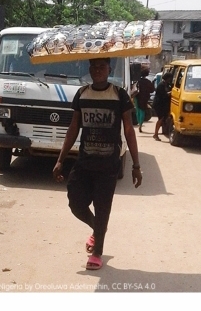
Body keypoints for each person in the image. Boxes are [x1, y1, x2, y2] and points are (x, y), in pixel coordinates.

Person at [52, 57, 142, 271]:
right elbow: (73, 128)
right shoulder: (82, 94)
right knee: (75, 203)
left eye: (102, 66)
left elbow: (129, 129)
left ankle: (97, 252)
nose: (97, 70)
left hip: (109, 165)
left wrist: (136, 165)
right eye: (93, 66)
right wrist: (60, 159)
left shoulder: (119, 95)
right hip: (84, 162)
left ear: (109, 69)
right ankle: (97, 229)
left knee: (103, 209)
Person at [133, 66, 155, 133]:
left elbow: (134, 89)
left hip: (137, 97)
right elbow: (152, 90)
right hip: (145, 98)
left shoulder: (138, 81)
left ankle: (139, 122)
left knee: (138, 110)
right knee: (142, 110)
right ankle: (140, 124)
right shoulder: (148, 82)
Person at [153, 70, 173, 141]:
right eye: (170, 78)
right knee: (160, 119)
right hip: (159, 105)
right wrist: (170, 93)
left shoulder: (166, 84)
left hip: (161, 104)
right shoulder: (161, 85)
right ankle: (155, 134)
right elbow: (162, 95)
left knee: (161, 119)